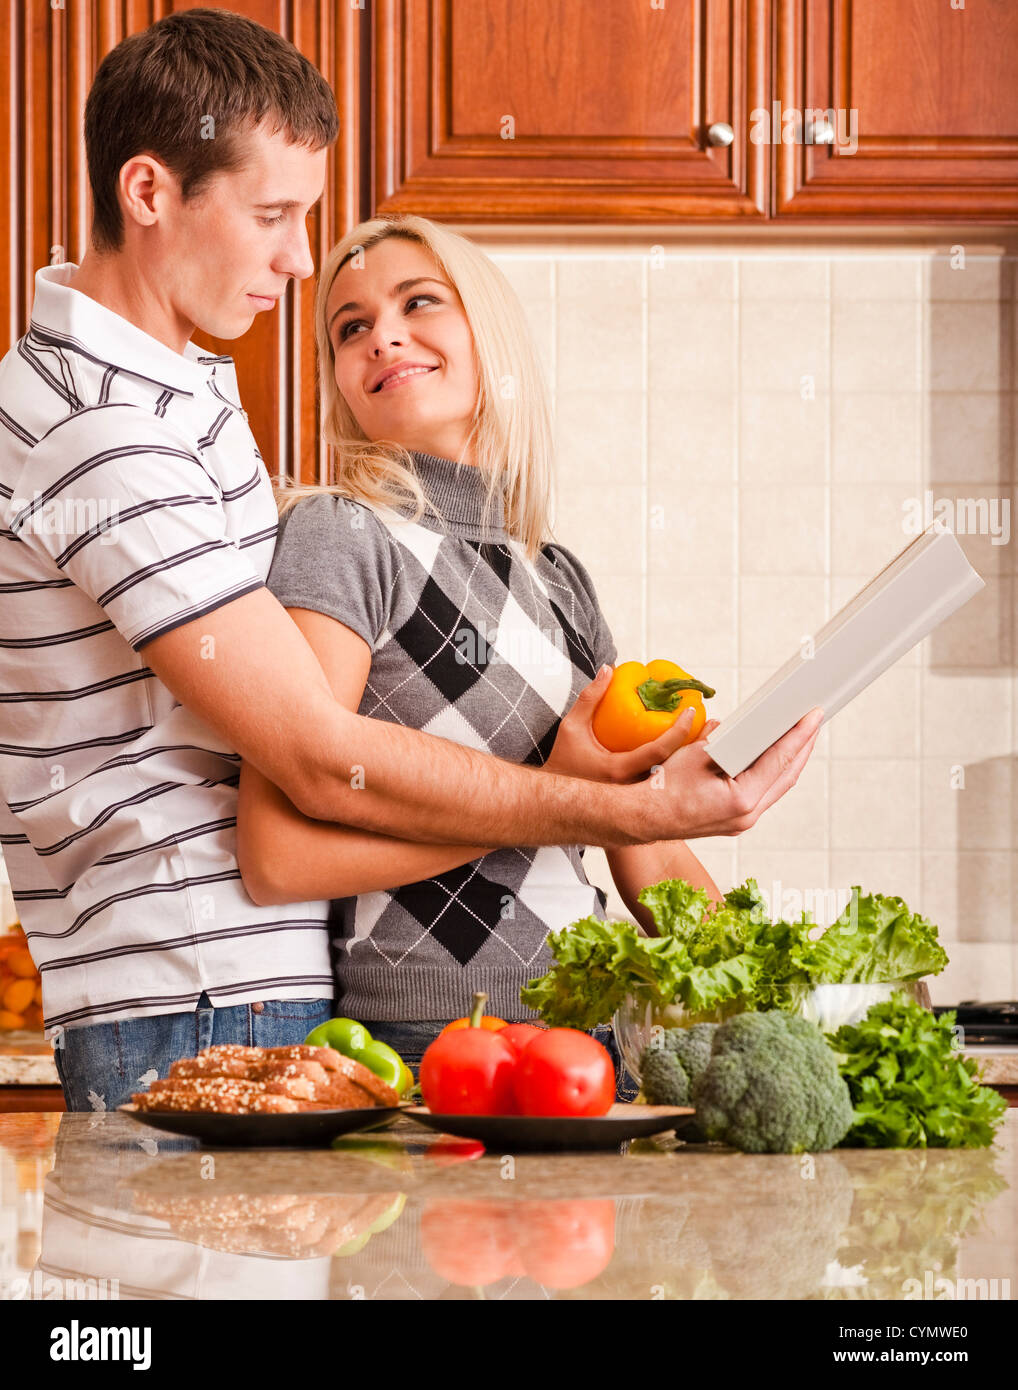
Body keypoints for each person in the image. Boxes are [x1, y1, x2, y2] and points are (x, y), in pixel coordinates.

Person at [0, 10, 822, 1111]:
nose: (298, 261)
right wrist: (596, 803)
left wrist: (644, 838)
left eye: (416, 303)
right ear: (150, 193)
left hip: (249, 977)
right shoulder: (106, 426)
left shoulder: (179, 393)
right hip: (194, 982)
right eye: (275, 216)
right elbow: (308, 755)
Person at [235, 214, 741, 1090]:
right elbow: (283, 857)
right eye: (349, 326)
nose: (381, 334)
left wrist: (777, 986)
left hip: (591, 1043)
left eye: (417, 301)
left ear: (489, 333)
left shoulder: (557, 575)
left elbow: (640, 844)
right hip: (426, 1043)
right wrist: (566, 798)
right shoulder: (341, 535)